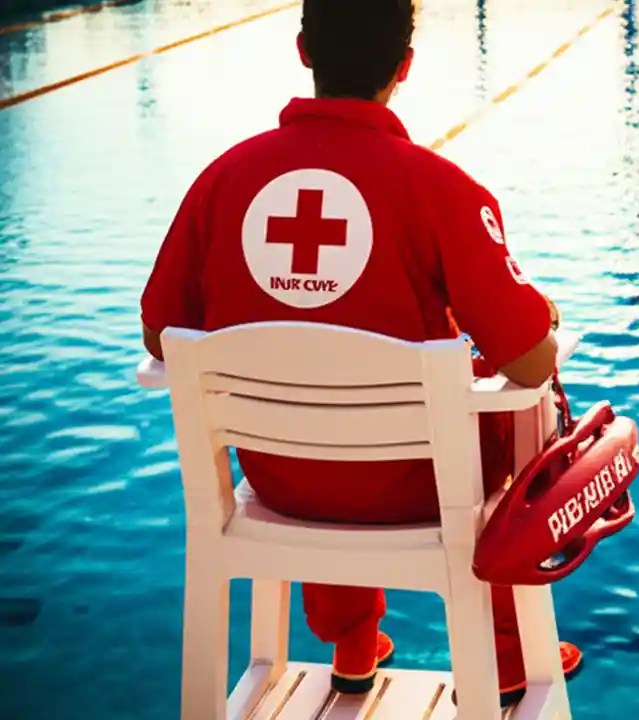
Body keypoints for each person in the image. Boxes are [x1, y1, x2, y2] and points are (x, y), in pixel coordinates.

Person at [139, 0, 581, 705]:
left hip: (282, 480)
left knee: (316, 406)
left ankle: (351, 639)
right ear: (405, 66)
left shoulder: (222, 182)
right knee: (529, 416)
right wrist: (545, 319)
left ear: (304, 49)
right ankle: (503, 654)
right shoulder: (441, 189)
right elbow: (528, 362)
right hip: (418, 484)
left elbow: (160, 333)